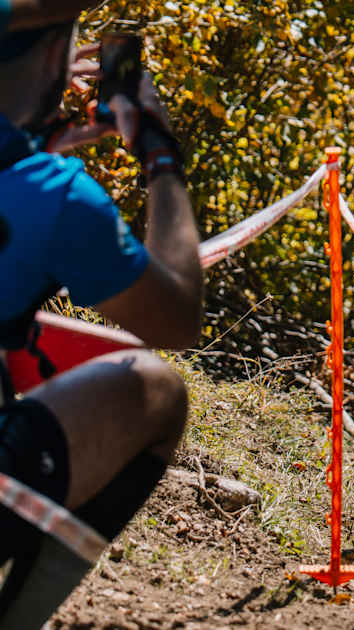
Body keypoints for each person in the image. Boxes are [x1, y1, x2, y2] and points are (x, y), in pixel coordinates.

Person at [0, 19, 200, 626]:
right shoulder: (55, 197)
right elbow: (177, 318)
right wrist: (160, 153)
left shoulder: (33, 177)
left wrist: (39, 140)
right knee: (155, 388)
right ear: (55, 56)